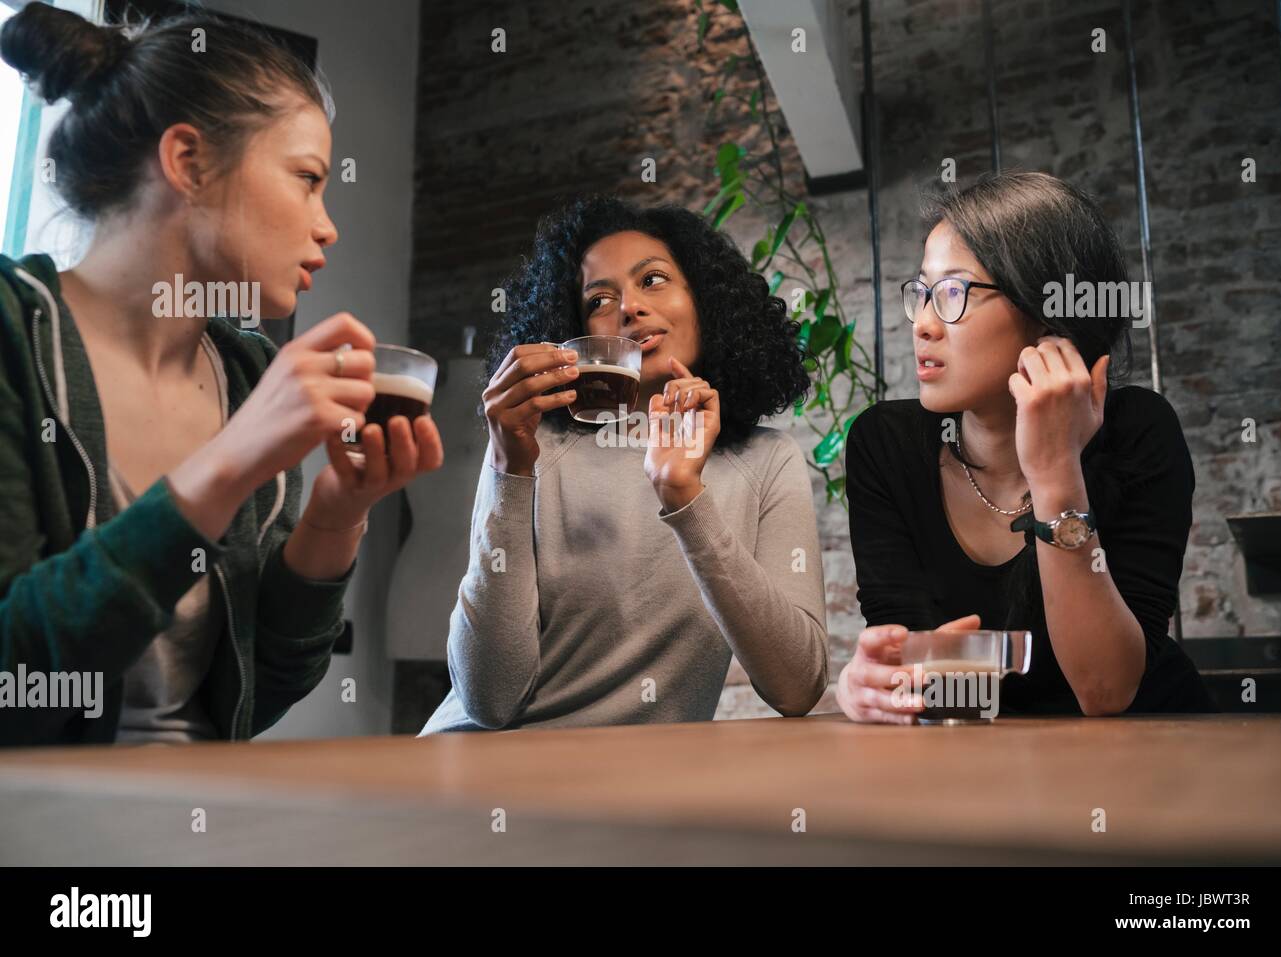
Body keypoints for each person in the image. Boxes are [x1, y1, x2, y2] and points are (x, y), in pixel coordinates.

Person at [0, 6, 443, 746]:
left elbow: (253, 697)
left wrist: (336, 516)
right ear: (188, 163)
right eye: (306, 178)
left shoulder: (246, 373)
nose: (327, 224)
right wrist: (226, 466)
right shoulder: (16, 336)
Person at [421, 196, 827, 732]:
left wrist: (685, 499)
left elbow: (797, 686)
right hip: (485, 771)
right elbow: (489, 700)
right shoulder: (529, 445)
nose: (629, 307)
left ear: (706, 300)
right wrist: (508, 468)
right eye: (599, 299)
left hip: (634, 788)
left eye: (653, 280)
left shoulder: (767, 460)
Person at [837, 171, 1215, 723]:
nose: (921, 324)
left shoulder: (1137, 432)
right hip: (988, 771)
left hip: (1148, 761)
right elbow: (915, 666)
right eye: (921, 292)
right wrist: (868, 683)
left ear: (1047, 315)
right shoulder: (886, 445)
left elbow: (1106, 691)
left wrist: (1055, 470)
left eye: (953, 294)